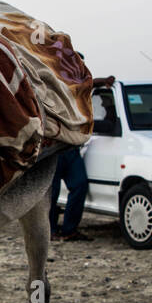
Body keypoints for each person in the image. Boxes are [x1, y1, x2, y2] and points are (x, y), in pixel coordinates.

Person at [50, 74, 115, 241]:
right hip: (53, 150)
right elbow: (76, 85)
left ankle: (69, 230)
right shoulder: (56, 84)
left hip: (71, 149)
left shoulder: (78, 90)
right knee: (52, 192)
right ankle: (50, 230)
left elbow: (83, 85)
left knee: (79, 185)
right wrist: (101, 81)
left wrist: (101, 83)